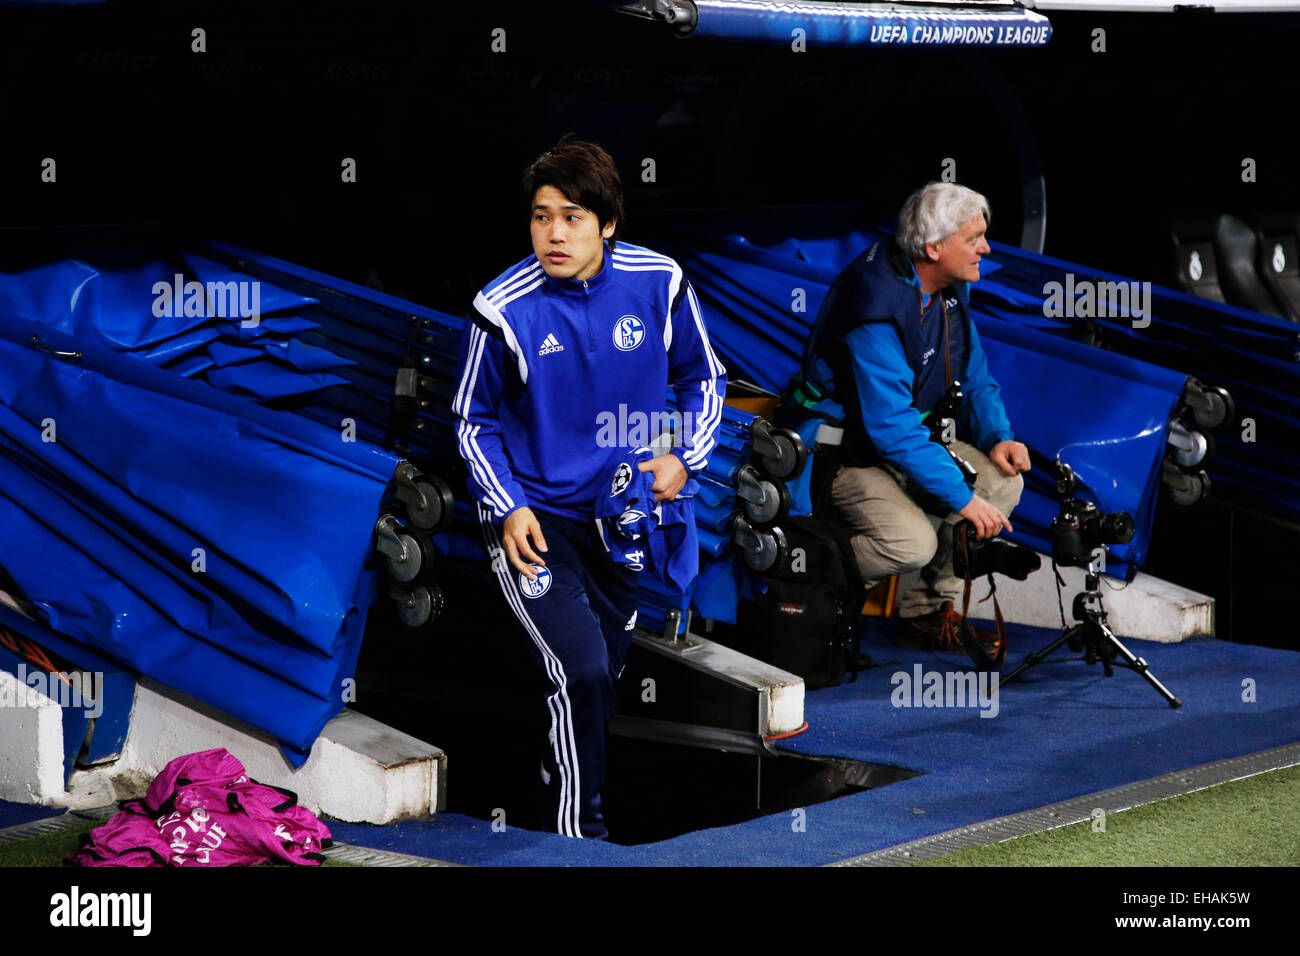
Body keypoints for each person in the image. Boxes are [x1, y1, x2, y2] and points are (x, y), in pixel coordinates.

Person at [451, 140, 725, 839]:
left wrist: (685, 458)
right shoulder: (500, 307)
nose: (555, 233)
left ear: (607, 224)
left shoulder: (659, 282)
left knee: (600, 683)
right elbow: (470, 420)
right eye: (542, 217)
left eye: (573, 217)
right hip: (537, 523)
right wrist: (508, 506)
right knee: (582, 674)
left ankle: (550, 807)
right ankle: (582, 840)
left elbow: (706, 379)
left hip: (623, 522)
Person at [807, 182, 1029, 652]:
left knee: (1002, 481)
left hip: (904, 442)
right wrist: (962, 499)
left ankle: (927, 611)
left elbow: (974, 374)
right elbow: (891, 428)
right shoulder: (875, 303)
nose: (986, 249)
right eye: (974, 239)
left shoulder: (948, 288)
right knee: (912, 543)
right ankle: (805, 593)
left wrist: (997, 436)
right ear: (933, 248)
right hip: (846, 453)